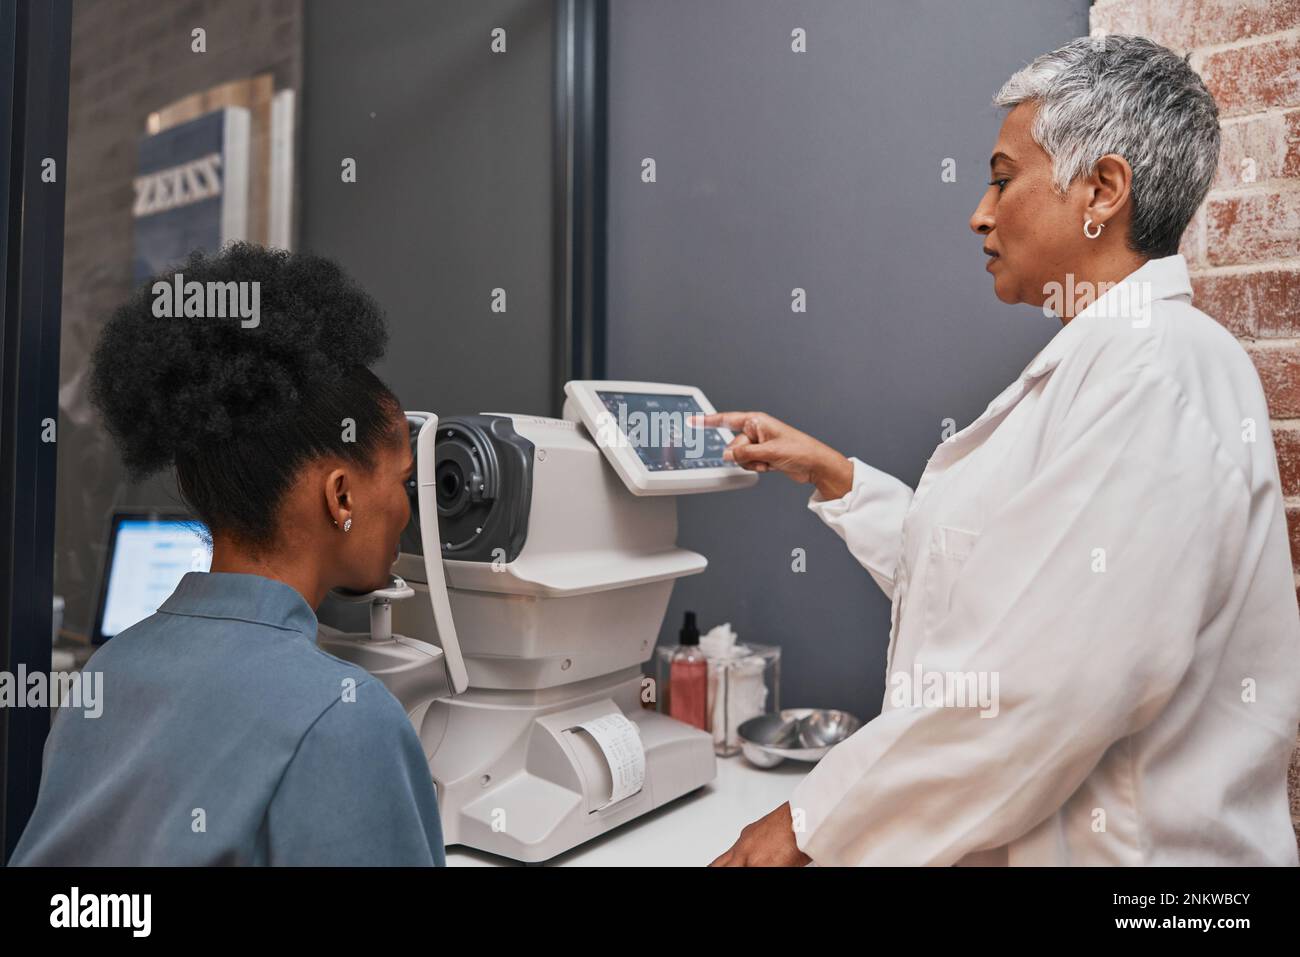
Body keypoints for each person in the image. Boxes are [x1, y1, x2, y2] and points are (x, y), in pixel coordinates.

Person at [709, 36, 1300, 866]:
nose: (979, 212)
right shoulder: (1110, 363)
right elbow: (994, 583)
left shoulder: (1157, 366)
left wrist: (807, 824)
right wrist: (832, 474)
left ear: (1103, 190)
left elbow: (1042, 688)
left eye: (1001, 177)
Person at [12, 243, 445, 865]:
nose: (407, 507)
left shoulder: (105, 673)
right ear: (341, 495)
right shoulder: (342, 720)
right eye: (402, 480)